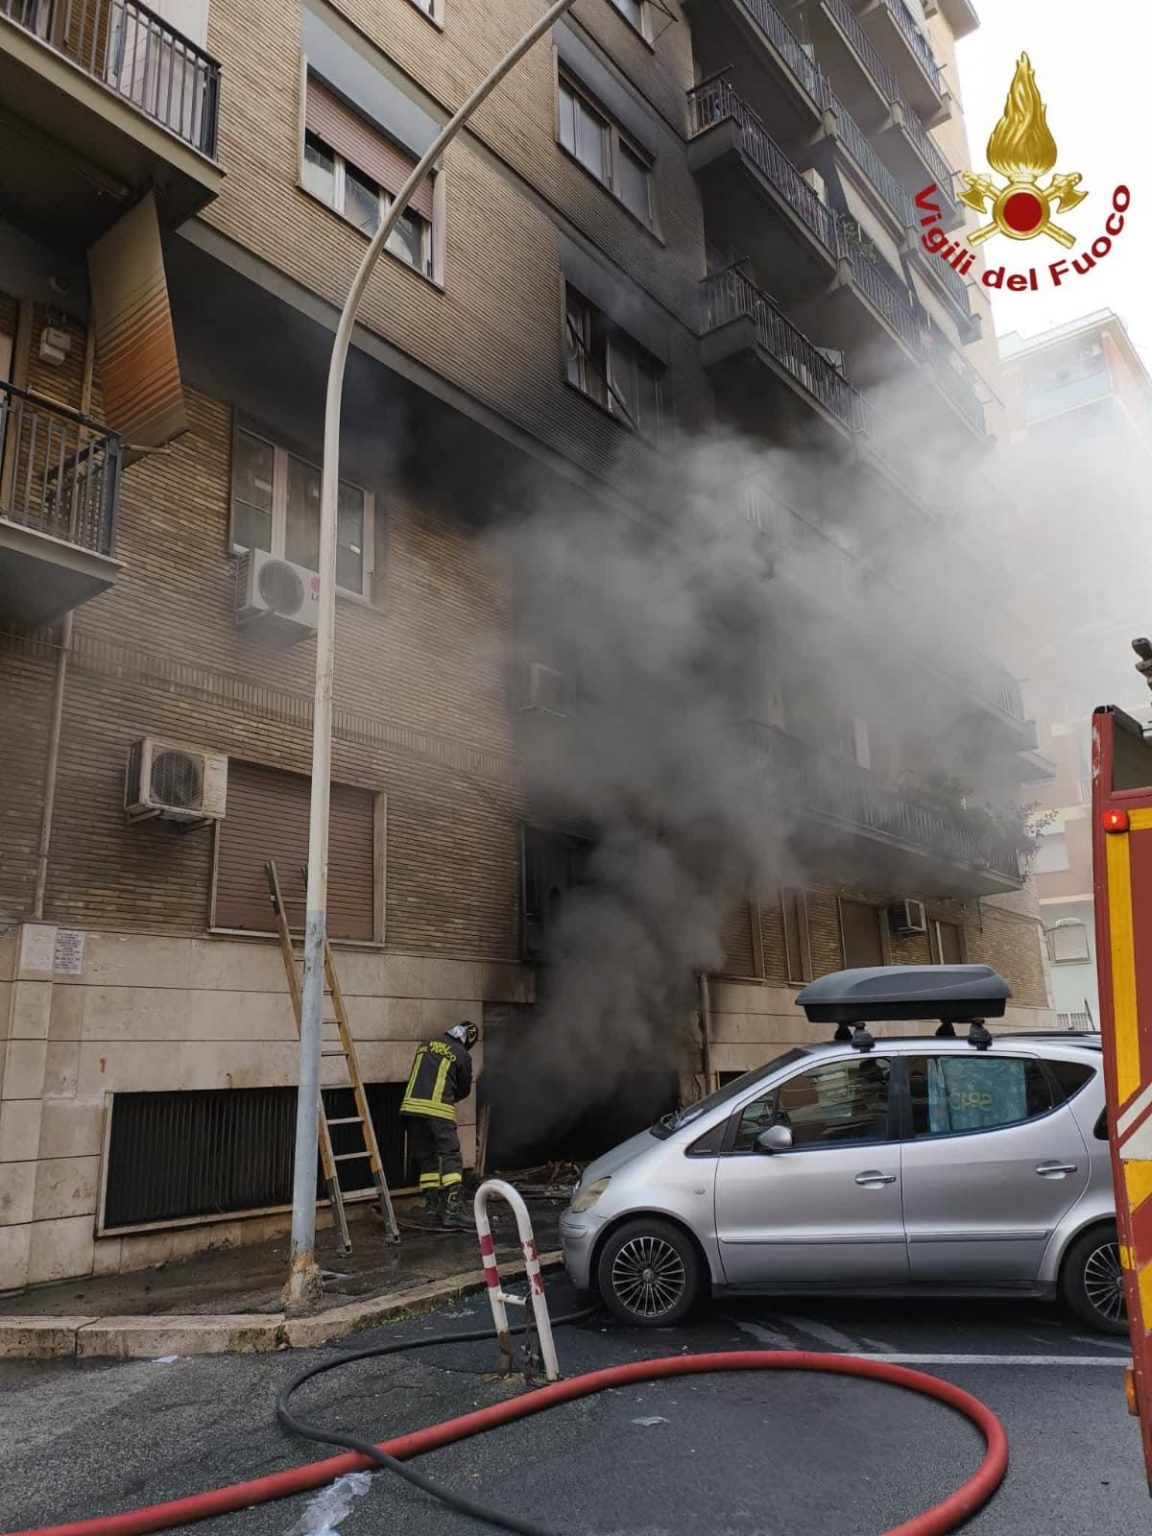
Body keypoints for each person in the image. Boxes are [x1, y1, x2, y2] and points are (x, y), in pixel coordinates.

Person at [400, 1021, 478, 1230]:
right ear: (468, 1039)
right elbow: (464, 1089)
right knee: (450, 1154)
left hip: (411, 1109)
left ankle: (432, 1206)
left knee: (427, 1159)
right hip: (437, 1110)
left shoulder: (425, 1045)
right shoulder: (462, 1054)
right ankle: (454, 1209)